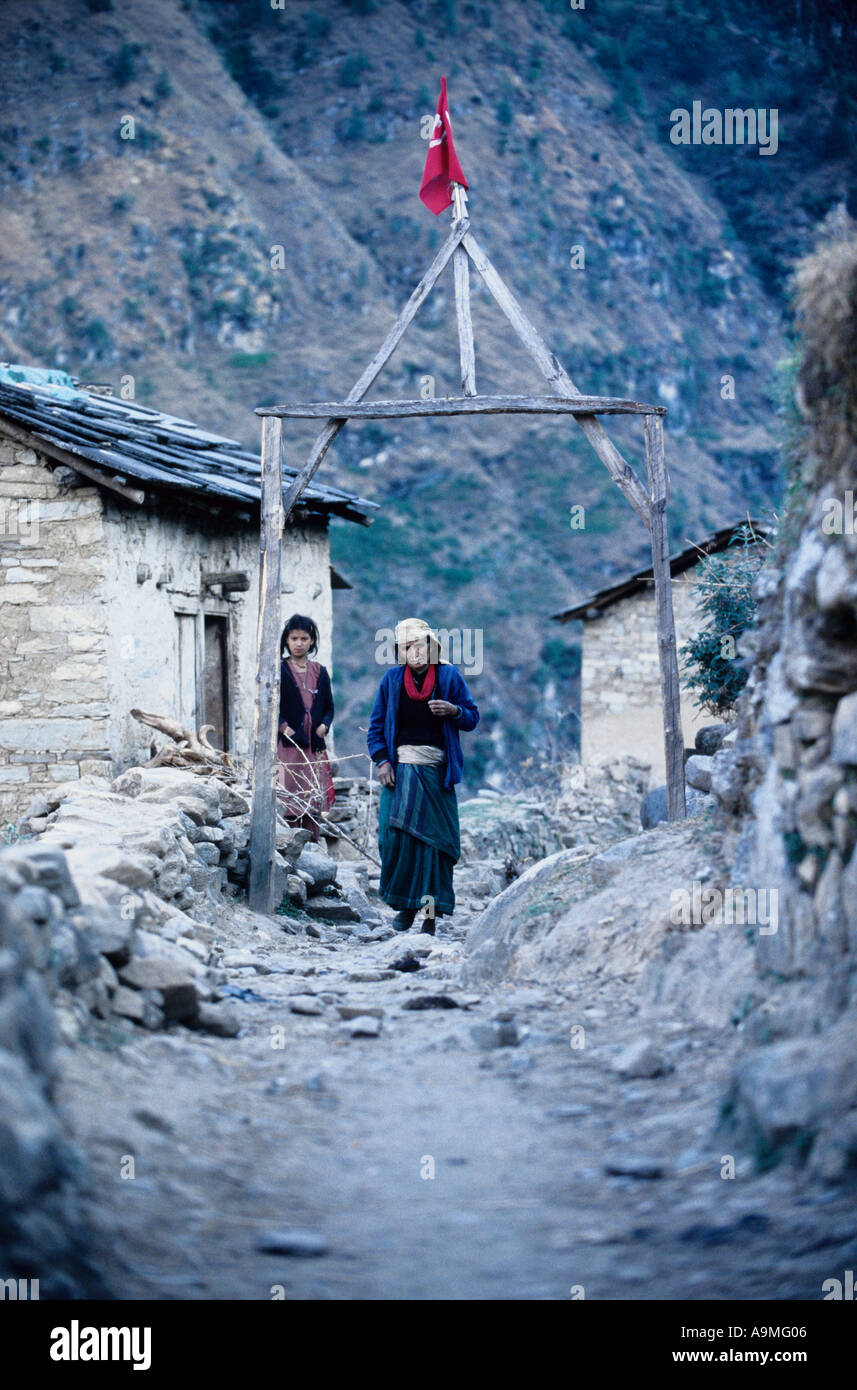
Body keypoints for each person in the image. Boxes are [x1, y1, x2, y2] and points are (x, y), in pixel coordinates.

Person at [367, 617, 479, 933]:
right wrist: (382, 762)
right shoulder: (390, 681)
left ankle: (429, 915)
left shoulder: (449, 676)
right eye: (407, 647)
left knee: (434, 847)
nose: (414, 652)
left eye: (419, 644)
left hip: (436, 774)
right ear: (399, 651)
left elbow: (472, 717)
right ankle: (405, 908)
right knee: (395, 841)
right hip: (400, 774)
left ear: (431, 646)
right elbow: (376, 728)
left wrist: (454, 712)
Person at [277, 614, 335, 843]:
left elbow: (330, 706)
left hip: (314, 745)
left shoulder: (320, 672)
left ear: (312, 641)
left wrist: (324, 725)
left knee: (313, 797)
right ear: (287, 640)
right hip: (289, 745)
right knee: (290, 793)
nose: (299, 643)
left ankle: (312, 843)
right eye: (294, 638)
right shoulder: (279, 670)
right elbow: (270, 703)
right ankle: (289, 843)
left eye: (304, 638)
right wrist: (283, 727)